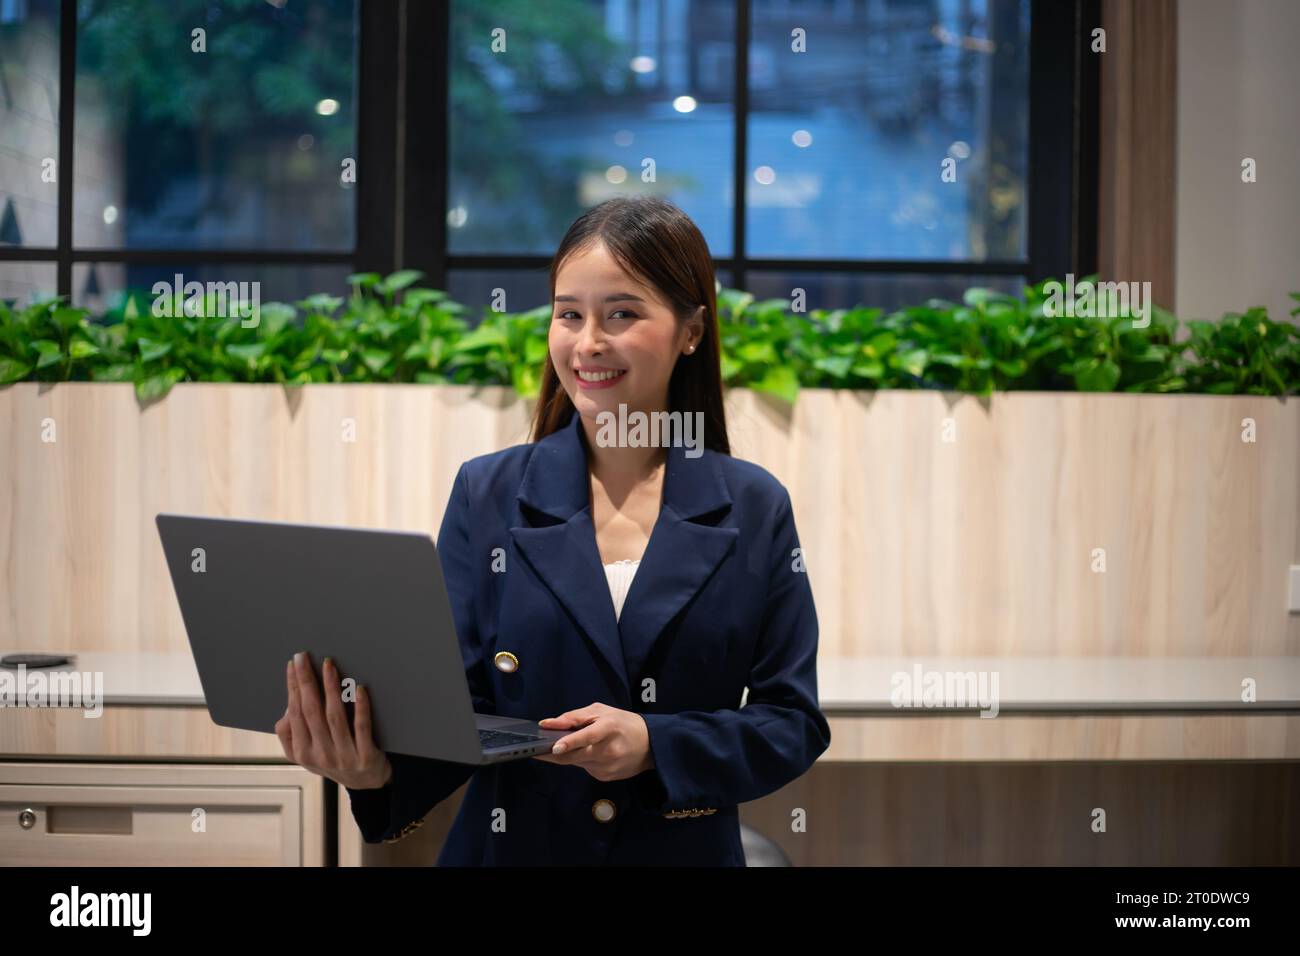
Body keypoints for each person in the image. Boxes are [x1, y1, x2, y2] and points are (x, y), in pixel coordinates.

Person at [277, 195, 831, 865]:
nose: (588, 341)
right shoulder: (488, 493)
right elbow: (460, 711)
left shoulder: (753, 507)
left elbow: (790, 723)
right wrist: (374, 774)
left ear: (691, 331)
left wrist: (657, 744)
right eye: (569, 314)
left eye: (622, 313)